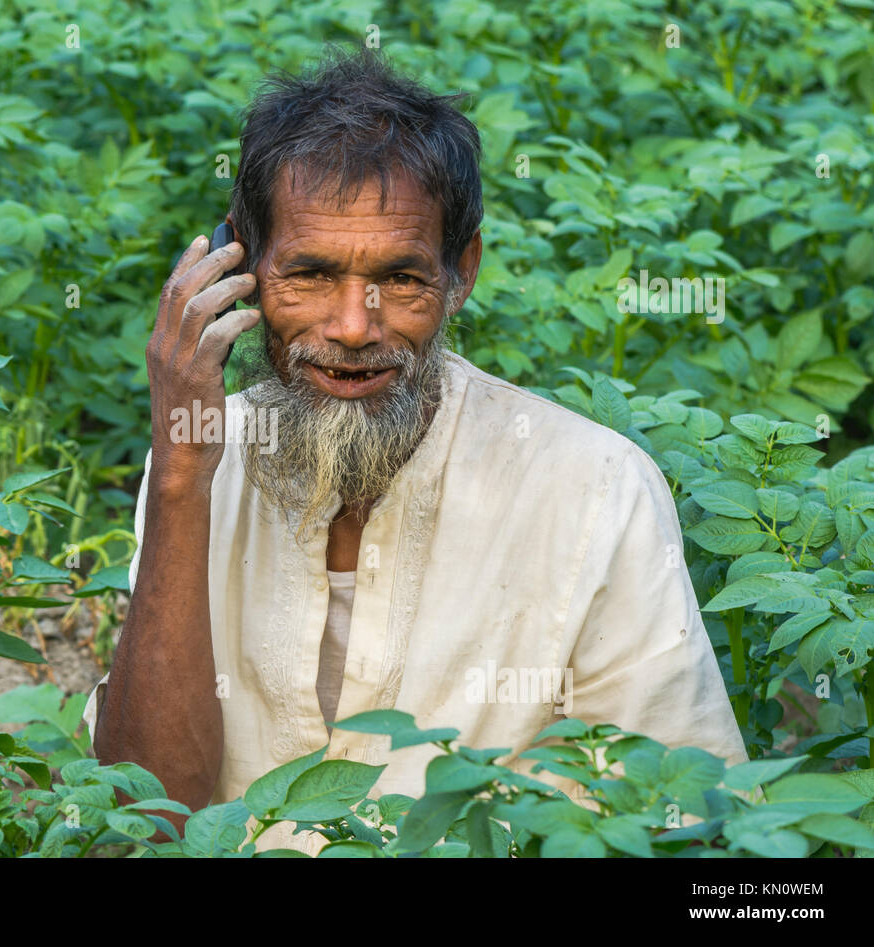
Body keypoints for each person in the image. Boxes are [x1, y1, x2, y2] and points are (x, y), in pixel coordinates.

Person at [84, 46, 747, 855]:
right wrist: (182, 472)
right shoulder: (197, 463)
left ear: (459, 272)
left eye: (400, 278)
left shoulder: (595, 490)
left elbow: (680, 813)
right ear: (245, 269)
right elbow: (147, 815)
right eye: (311, 275)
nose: (354, 326)